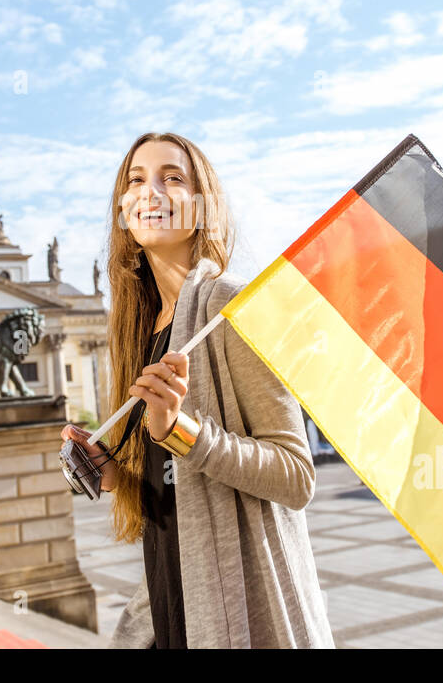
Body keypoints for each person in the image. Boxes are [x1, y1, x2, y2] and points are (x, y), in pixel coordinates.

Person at [60, 132, 334, 648]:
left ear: (203, 204)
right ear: (122, 210)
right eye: (136, 181)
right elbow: (172, 485)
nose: (150, 192)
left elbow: (297, 476)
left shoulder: (230, 307)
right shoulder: (135, 330)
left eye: (172, 178)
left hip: (237, 607)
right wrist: (113, 473)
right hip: (167, 600)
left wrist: (180, 430)